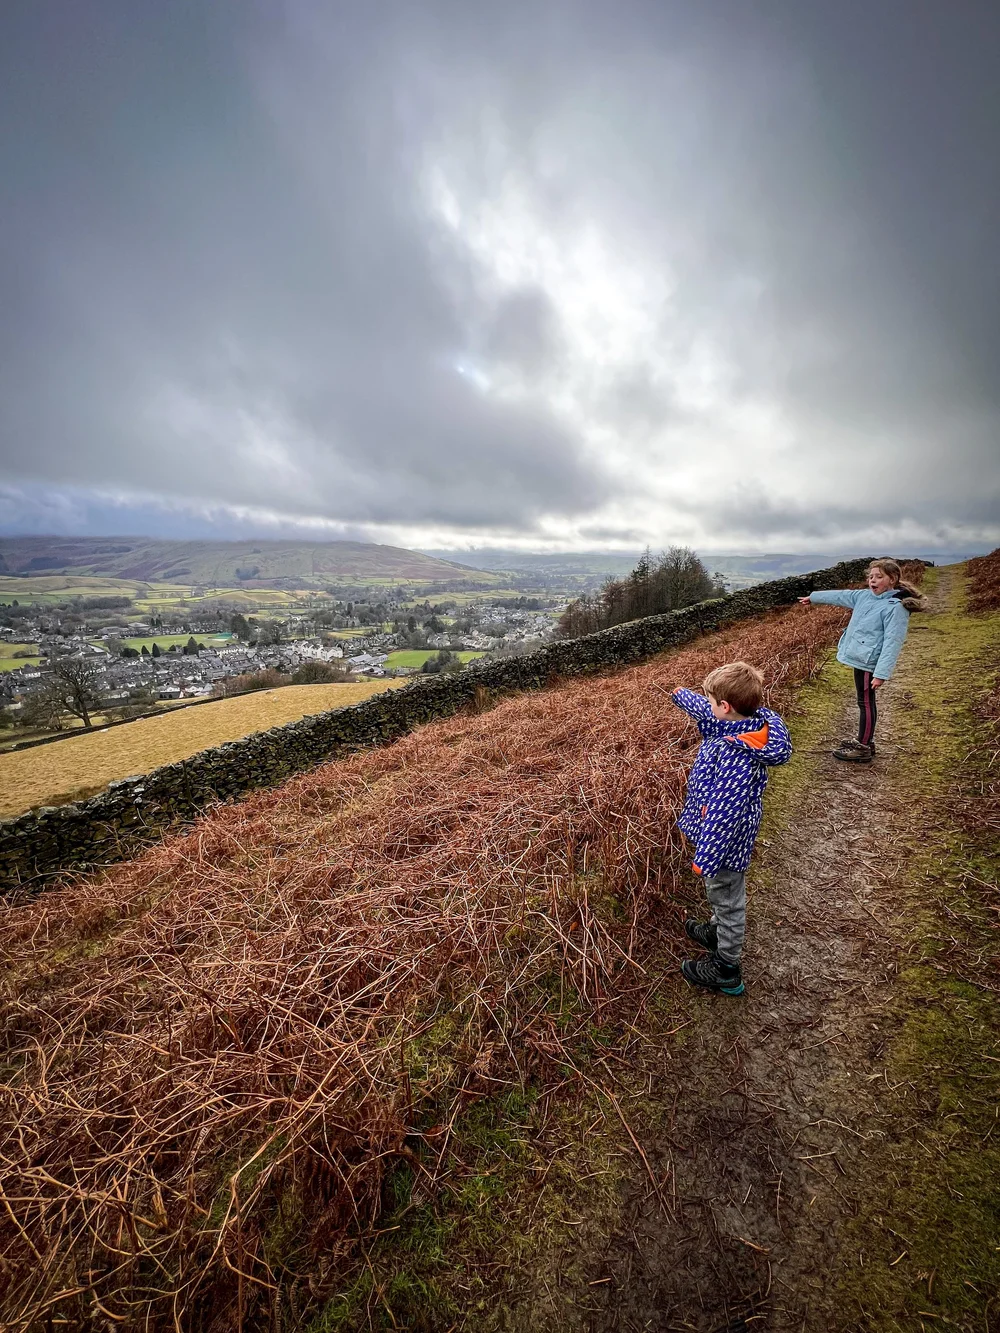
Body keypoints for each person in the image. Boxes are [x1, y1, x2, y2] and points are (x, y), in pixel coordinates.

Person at [672, 662, 792, 996]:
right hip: (724, 838)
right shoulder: (743, 723)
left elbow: (725, 813)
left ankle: (727, 967)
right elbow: (706, 710)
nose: (708, 707)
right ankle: (716, 931)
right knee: (722, 895)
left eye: (712, 702)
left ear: (726, 707)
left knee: (726, 898)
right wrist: (681, 695)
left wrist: (706, 856)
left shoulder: (736, 756)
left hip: (723, 844)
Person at [798, 558, 926, 763]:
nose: (872, 581)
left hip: (870, 663)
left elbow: (892, 642)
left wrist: (881, 674)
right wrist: (813, 597)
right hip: (860, 658)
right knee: (863, 701)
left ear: (892, 579)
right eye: (870, 577)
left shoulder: (896, 607)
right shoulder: (863, 596)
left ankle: (864, 747)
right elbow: (840, 595)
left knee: (866, 703)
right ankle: (865, 740)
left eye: (878, 577)